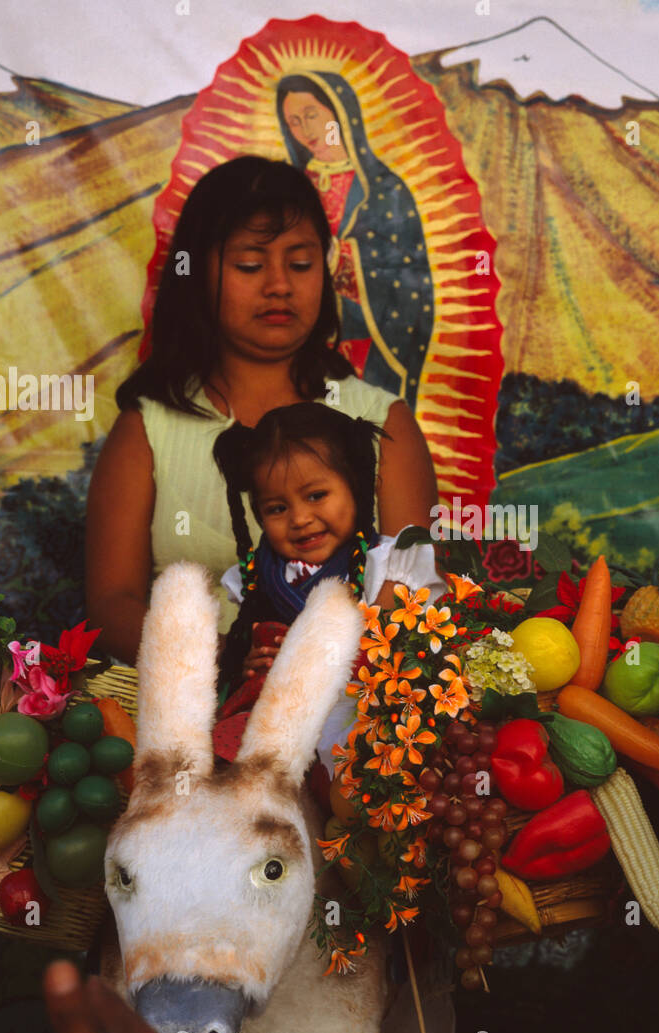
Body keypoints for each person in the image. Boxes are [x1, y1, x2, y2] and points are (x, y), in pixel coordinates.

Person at [85, 157, 438, 664]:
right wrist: (225, 659)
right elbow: (110, 604)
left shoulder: (384, 423)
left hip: (353, 712)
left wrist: (325, 666)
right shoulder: (147, 429)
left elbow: (414, 588)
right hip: (193, 703)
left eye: (300, 264)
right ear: (196, 273)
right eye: (250, 265)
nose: (279, 285)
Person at [211, 401, 445, 762]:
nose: (300, 518)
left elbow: (393, 647)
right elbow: (250, 663)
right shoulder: (256, 579)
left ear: (357, 487)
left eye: (316, 495)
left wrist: (310, 652)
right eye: (277, 508)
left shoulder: (387, 567)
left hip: (366, 724)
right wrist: (252, 666)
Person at [275, 72, 434, 406]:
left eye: (312, 115)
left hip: (370, 342)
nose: (305, 130)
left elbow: (410, 271)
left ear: (340, 114)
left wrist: (344, 257)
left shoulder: (385, 190)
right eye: (293, 122)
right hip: (304, 342)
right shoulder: (290, 190)